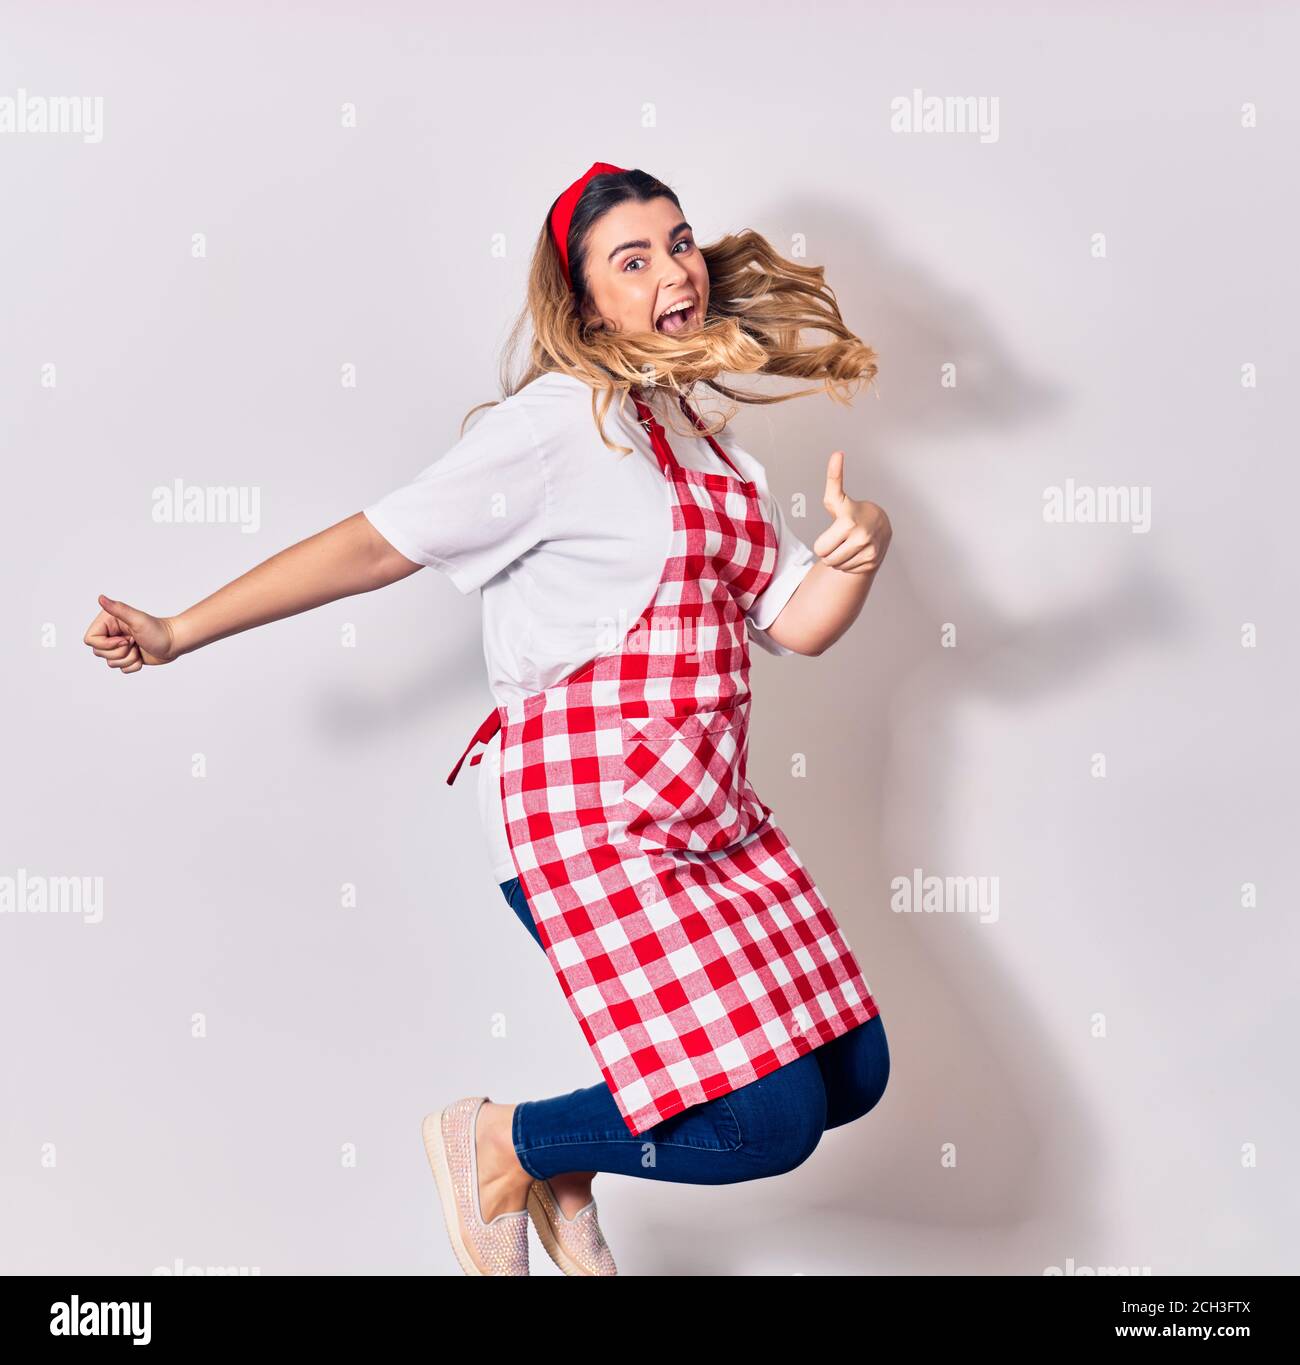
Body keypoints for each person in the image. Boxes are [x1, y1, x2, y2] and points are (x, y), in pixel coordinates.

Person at [84, 162, 893, 1277]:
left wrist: (865, 552)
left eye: (679, 241)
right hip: (592, 814)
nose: (674, 271)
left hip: (711, 813)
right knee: (767, 1121)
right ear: (583, 302)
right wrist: (178, 629)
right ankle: (503, 1143)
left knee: (853, 1074)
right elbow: (374, 544)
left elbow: (797, 622)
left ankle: (557, 1160)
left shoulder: (712, 447)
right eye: (633, 258)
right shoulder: (557, 428)